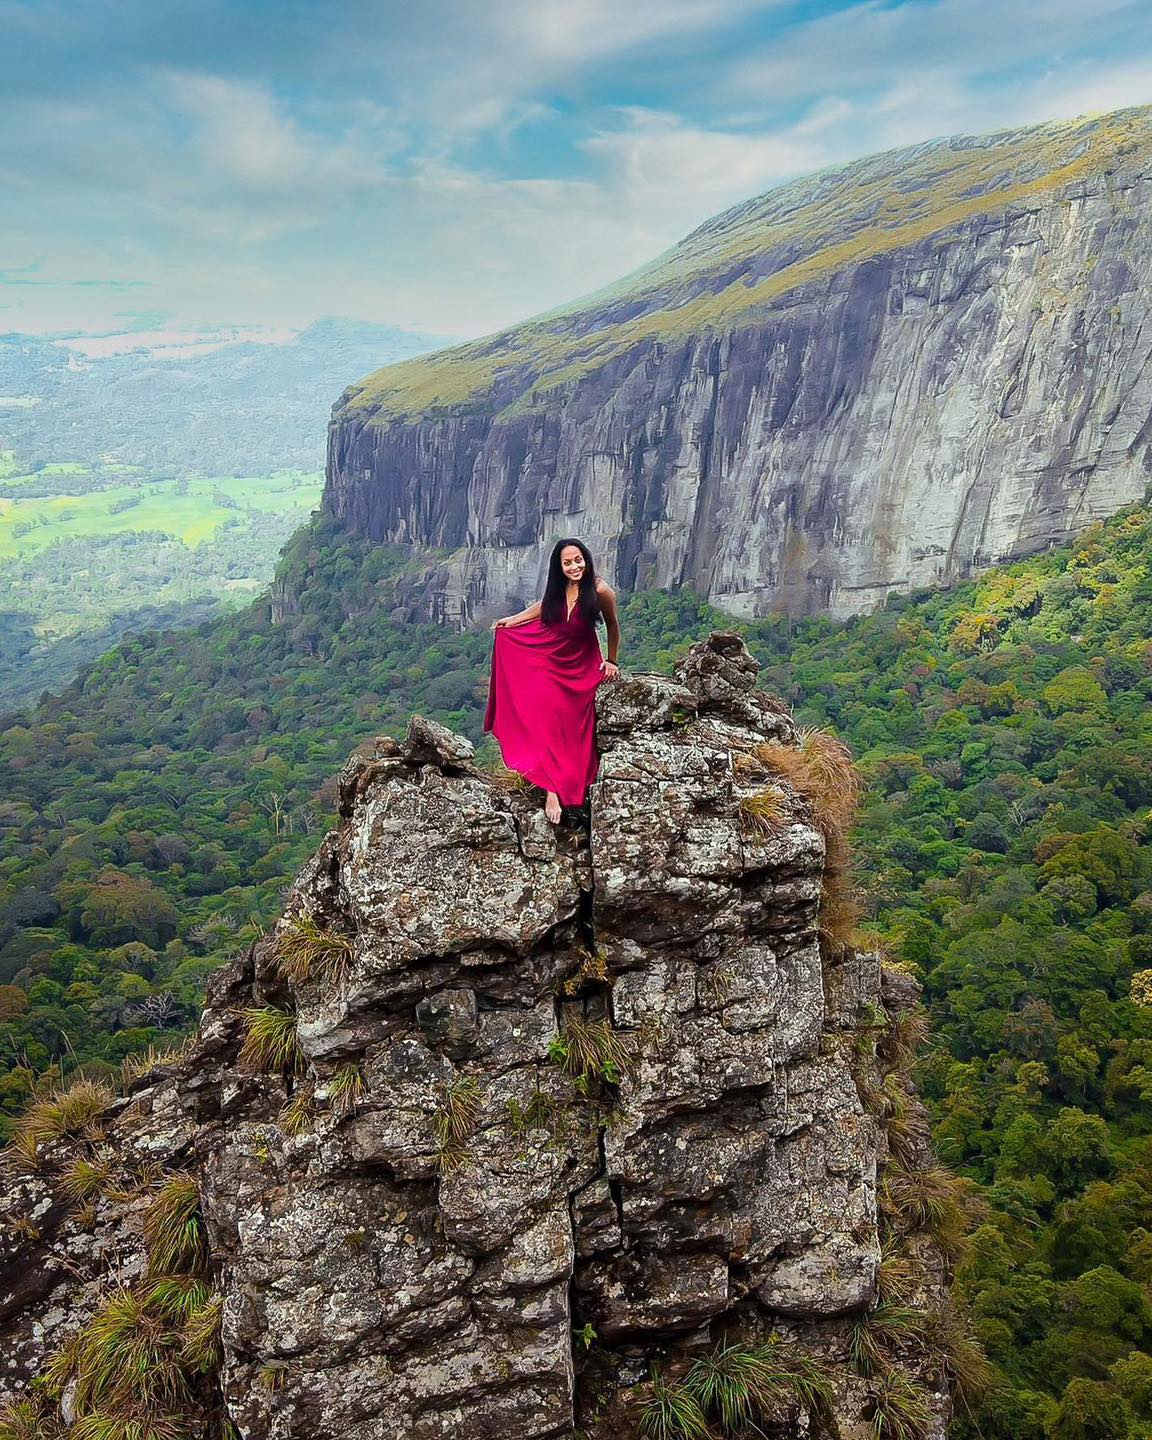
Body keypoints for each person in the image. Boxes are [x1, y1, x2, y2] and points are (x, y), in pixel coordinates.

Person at [484, 538, 621, 823]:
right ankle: (550, 788)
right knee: (543, 715)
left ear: (587, 558)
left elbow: (612, 625)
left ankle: (563, 780)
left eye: (578, 560)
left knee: (571, 725)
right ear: (560, 567)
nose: (574, 566)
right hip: (550, 654)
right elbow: (543, 606)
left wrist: (612, 660)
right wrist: (514, 619)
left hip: (582, 664)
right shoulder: (560, 589)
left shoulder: (601, 590)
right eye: (567, 562)